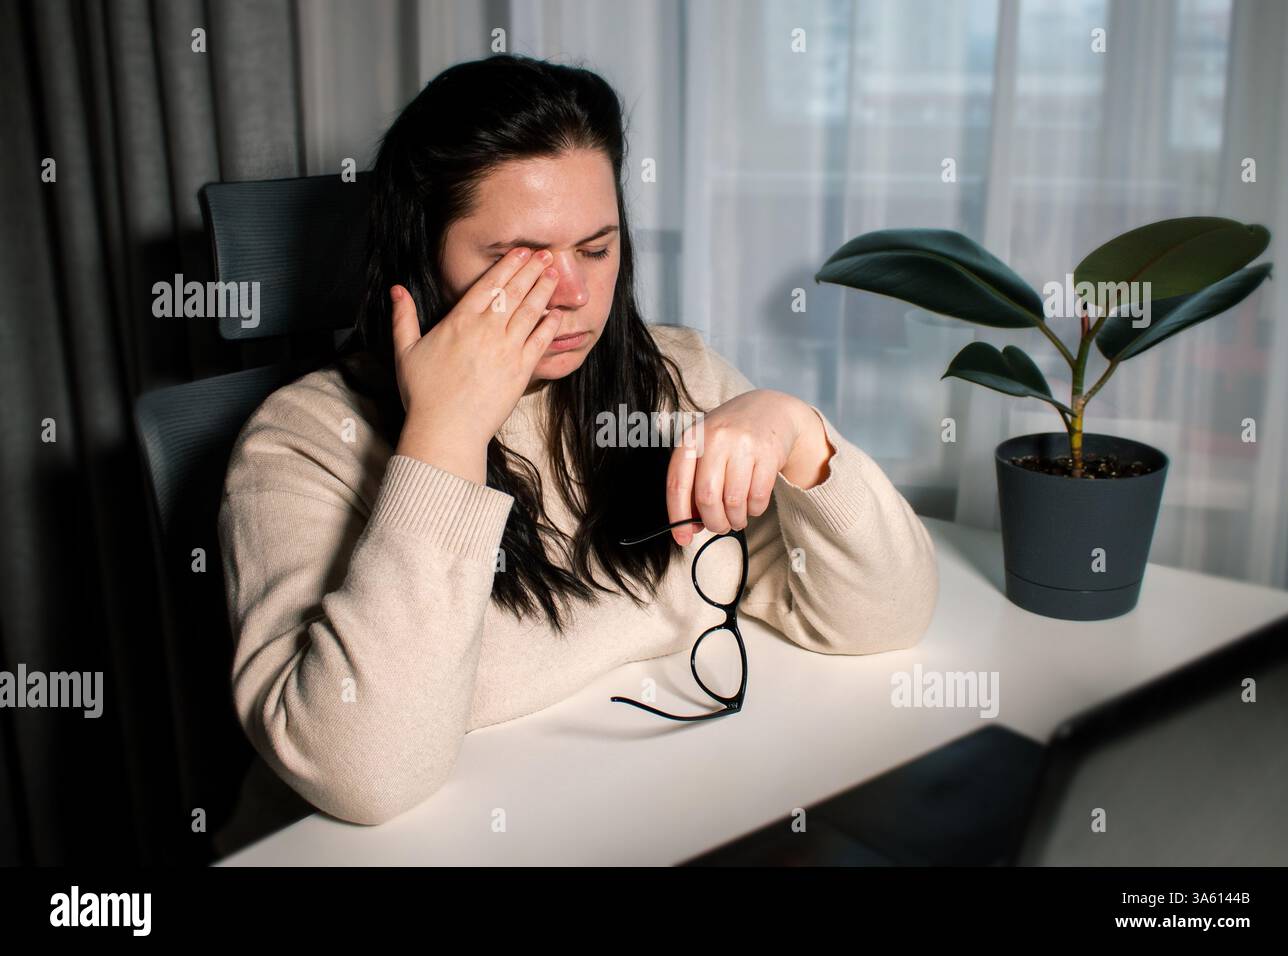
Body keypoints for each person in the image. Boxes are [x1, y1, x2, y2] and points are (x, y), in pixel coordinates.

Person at [214, 52, 938, 854]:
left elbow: (885, 618)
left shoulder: (675, 376)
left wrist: (799, 436)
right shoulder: (302, 446)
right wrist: (445, 437)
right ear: (423, 256)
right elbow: (367, 776)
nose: (571, 295)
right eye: (519, 260)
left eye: (596, 249)